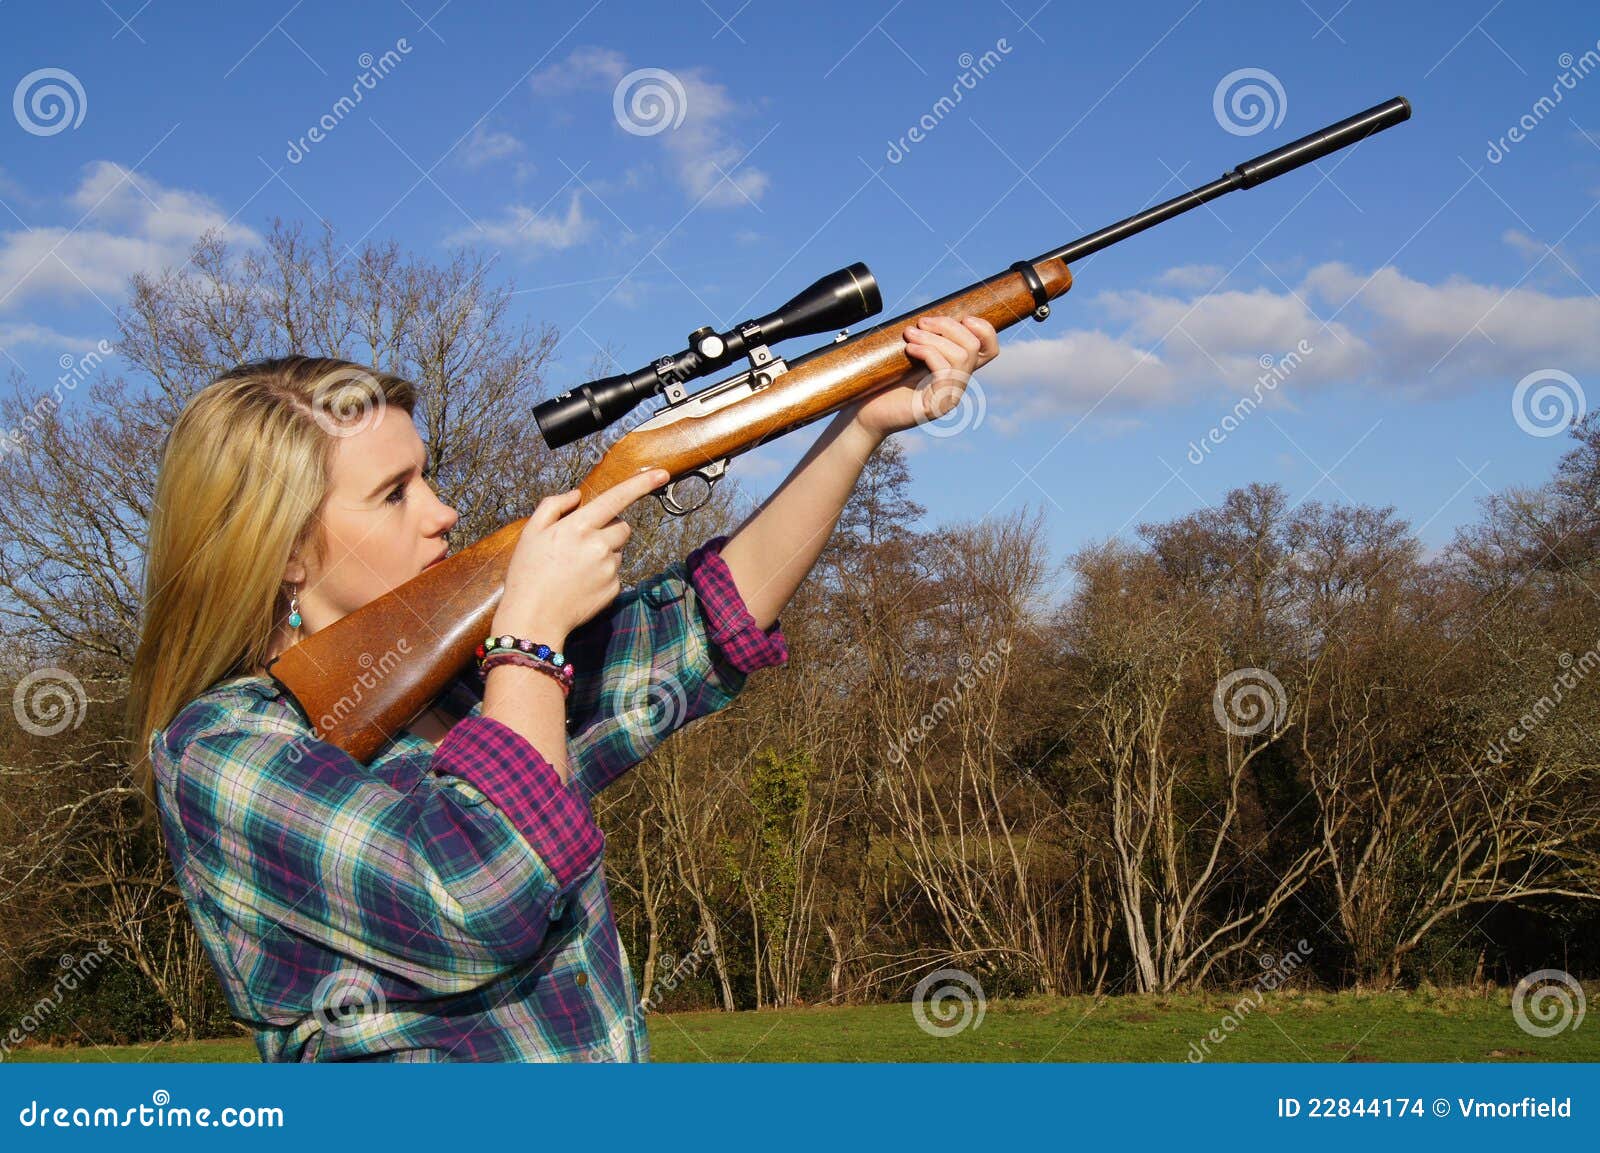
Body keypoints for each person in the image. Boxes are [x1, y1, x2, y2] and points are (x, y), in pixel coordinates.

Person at [126, 315, 999, 1062]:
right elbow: (479, 899)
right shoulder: (222, 751)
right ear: (281, 549)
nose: (442, 511)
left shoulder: (466, 683)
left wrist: (856, 425)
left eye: (425, 475)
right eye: (394, 494)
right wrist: (529, 642)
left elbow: (704, 624)